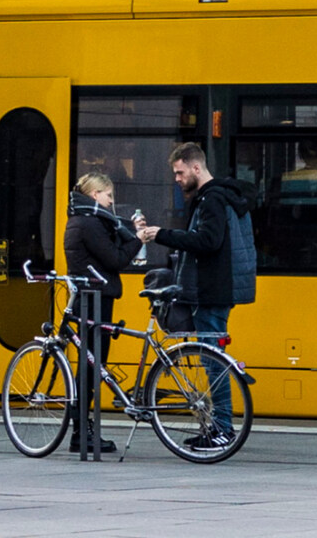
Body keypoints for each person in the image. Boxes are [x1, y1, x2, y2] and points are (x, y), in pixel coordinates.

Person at [140, 143, 256, 450]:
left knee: (213, 362)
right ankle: (219, 427)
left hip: (212, 289)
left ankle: (222, 429)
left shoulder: (212, 199)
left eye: (179, 172)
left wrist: (161, 234)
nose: (177, 179)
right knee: (212, 359)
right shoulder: (221, 195)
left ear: (196, 167)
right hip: (217, 288)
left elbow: (208, 240)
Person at [63, 172, 145, 453]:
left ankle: (82, 431)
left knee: (90, 367)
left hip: (93, 301)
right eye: (109, 196)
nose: (111, 202)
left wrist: (129, 232)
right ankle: (82, 433)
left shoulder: (84, 220)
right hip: (94, 303)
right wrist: (139, 240)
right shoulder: (88, 224)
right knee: (90, 368)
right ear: (95, 195)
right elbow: (116, 258)